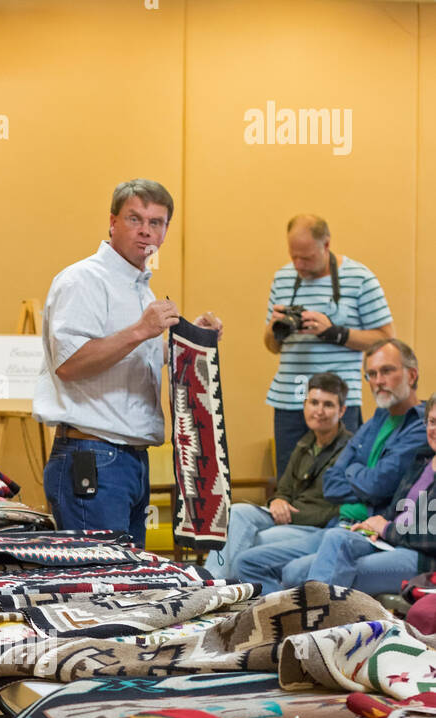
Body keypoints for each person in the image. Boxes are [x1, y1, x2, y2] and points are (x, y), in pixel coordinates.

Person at [33, 178, 222, 546]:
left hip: (130, 460)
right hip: (93, 455)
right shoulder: (83, 280)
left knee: (128, 592)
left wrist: (191, 341)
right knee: (101, 588)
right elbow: (69, 364)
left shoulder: (140, 289)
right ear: (112, 221)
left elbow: (132, 363)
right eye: (135, 219)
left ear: (166, 231)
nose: (145, 231)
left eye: (157, 222)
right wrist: (140, 330)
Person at [245, 341, 428, 595]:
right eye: (372, 374)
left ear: (412, 374)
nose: (378, 381)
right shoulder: (379, 417)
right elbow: (332, 483)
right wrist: (363, 478)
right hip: (342, 524)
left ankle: (305, 624)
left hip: (373, 532)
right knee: (249, 556)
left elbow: (379, 485)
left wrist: (353, 472)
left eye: (386, 371)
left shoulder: (424, 425)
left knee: (293, 571)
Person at [264, 214, 393, 476]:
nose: (299, 264)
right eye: (294, 256)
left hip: (338, 401)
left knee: (341, 478)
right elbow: (271, 346)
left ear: (326, 245)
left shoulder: (360, 278)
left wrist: (334, 332)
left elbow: (385, 338)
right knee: (290, 482)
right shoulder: (283, 277)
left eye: (307, 258)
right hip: (290, 399)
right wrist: (275, 327)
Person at [276, 392, 436, 596]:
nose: (434, 429)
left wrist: (387, 528)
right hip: (390, 542)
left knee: (325, 573)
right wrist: (374, 524)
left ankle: (316, 620)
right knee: (297, 568)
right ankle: (318, 616)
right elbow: (398, 509)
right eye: (432, 421)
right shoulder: (422, 460)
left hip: (422, 558)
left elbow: (431, 535)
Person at [206, 373, 350, 583]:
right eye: (314, 402)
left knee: (254, 539)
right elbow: (283, 489)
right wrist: (278, 501)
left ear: (342, 410)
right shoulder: (304, 444)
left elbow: (339, 508)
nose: (319, 411)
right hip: (286, 519)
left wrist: (291, 514)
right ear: (305, 405)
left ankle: (223, 590)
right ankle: (211, 582)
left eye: (328, 405)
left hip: (315, 528)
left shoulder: (350, 449)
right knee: (236, 513)